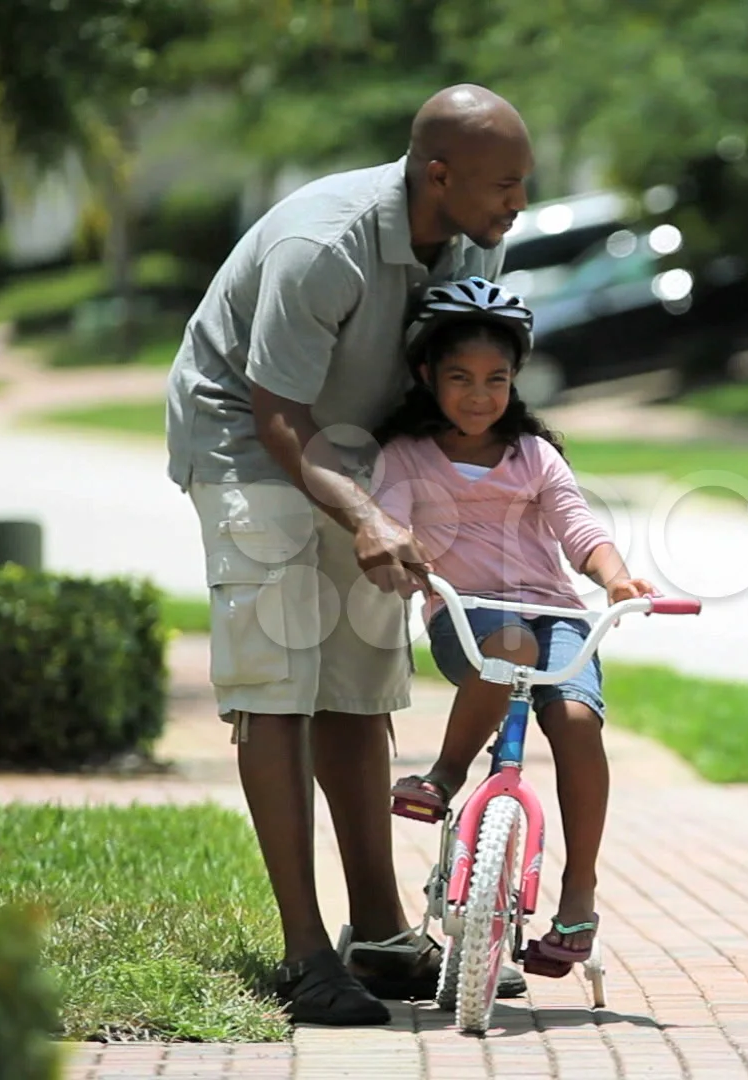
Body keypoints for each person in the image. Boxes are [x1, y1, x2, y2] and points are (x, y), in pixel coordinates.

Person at [162, 84, 535, 1024]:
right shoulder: (320, 247)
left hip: (360, 445)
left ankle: (377, 934)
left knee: (360, 677)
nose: (518, 203)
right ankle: (304, 953)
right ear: (438, 173)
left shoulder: (474, 233)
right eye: (504, 184)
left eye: (523, 183)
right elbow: (275, 412)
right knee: (280, 680)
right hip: (246, 440)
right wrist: (364, 516)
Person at [376, 277, 655, 975]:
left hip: (555, 611)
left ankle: (579, 891)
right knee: (507, 645)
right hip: (466, 618)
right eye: (461, 378)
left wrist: (616, 576)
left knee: (579, 722)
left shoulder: (533, 455)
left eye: (496, 379)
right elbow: (386, 520)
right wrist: (400, 558)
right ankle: (444, 776)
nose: (479, 394)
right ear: (426, 376)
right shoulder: (407, 454)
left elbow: (580, 530)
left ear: (516, 381)